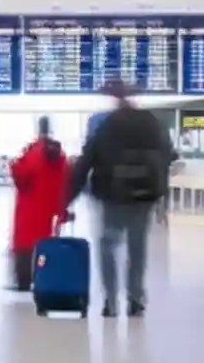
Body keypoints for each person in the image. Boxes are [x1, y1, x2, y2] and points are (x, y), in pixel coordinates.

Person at [68, 82, 175, 318]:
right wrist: (161, 192)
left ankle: (111, 300)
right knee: (137, 248)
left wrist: (68, 196)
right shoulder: (151, 123)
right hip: (144, 196)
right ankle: (135, 299)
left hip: (112, 194)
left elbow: (87, 160)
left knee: (108, 245)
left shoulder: (106, 125)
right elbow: (169, 154)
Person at [9, 116, 70, 291]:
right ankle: (43, 276)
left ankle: (23, 281)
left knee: (25, 245)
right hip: (50, 207)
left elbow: (22, 174)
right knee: (45, 246)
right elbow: (67, 179)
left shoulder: (34, 151)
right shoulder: (60, 154)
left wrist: (13, 165)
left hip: (30, 205)